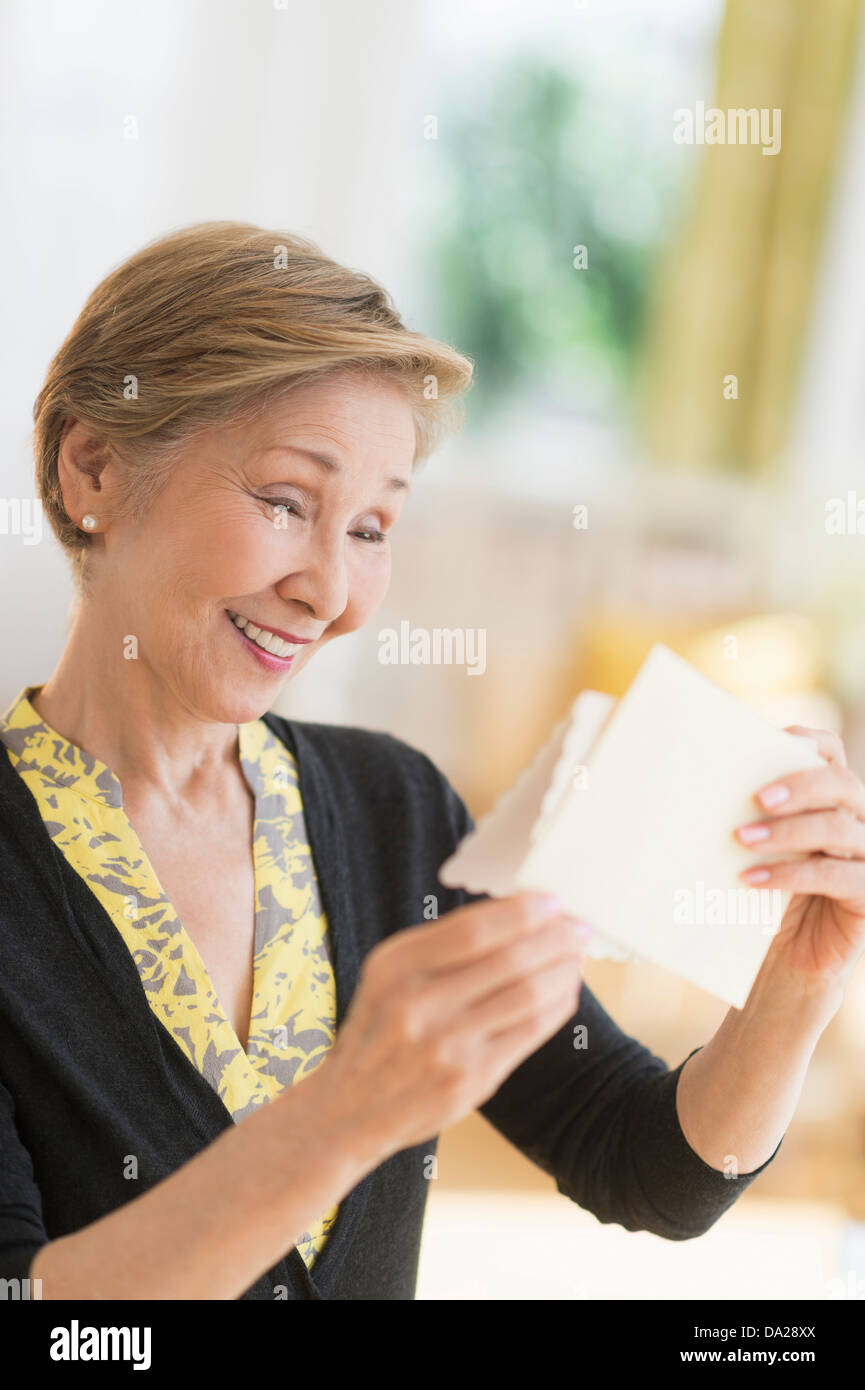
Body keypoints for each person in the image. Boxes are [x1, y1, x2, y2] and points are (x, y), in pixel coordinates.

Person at [1, 222, 863, 1301]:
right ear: (94, 468)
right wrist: (346, 1110)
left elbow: (648, 1165)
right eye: (284, 502)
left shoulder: (389, 807)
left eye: (369, 529)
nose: (329, 591)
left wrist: (795, 986)